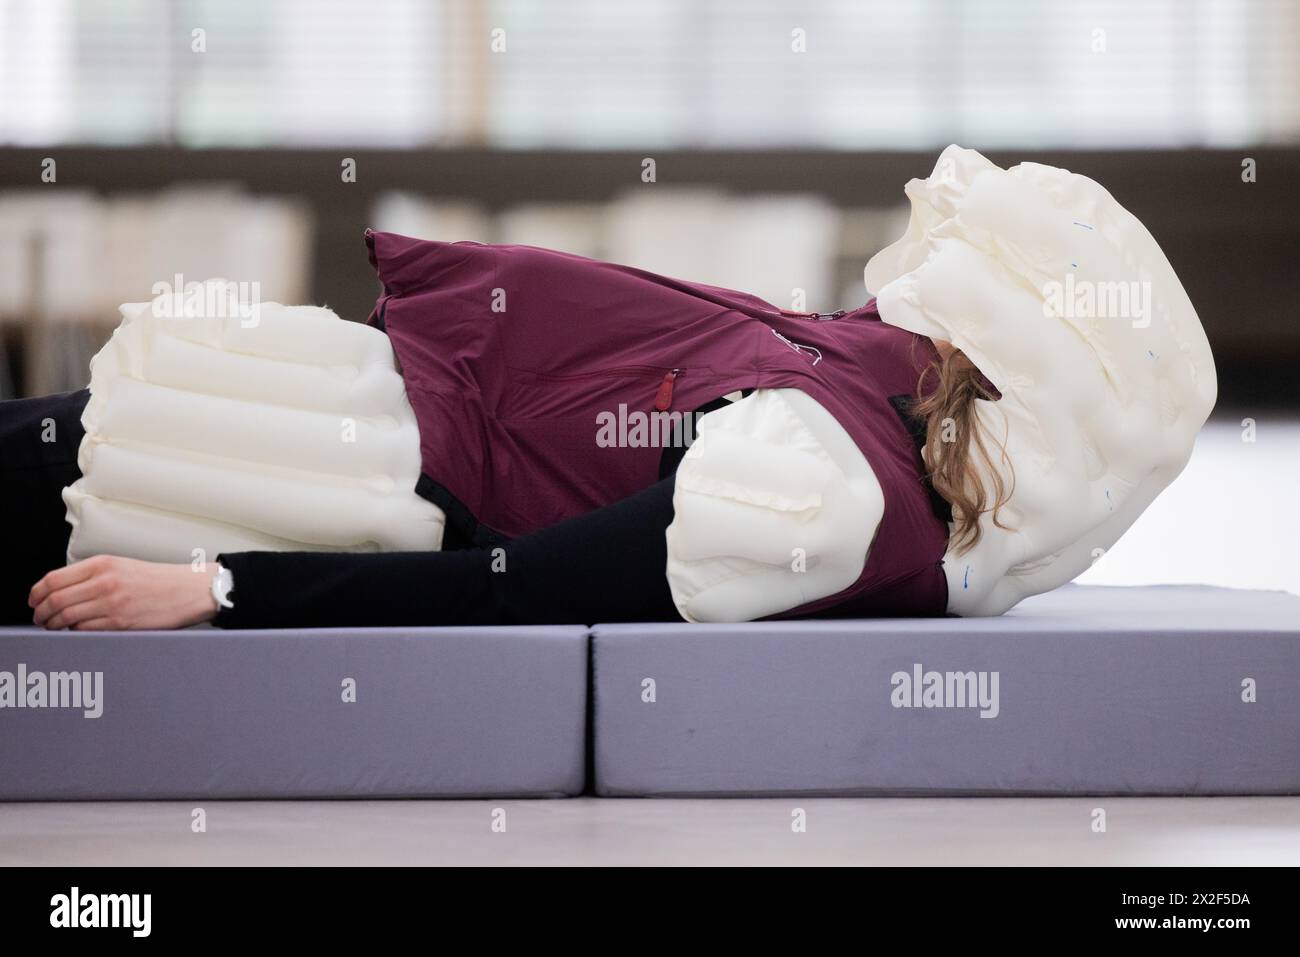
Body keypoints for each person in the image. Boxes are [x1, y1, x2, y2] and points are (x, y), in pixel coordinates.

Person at [9, 146, 1216, 630]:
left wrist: (219, 588)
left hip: (283, 474)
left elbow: (522, 586)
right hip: (315, 389)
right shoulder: (881, 368)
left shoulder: (840, 500)